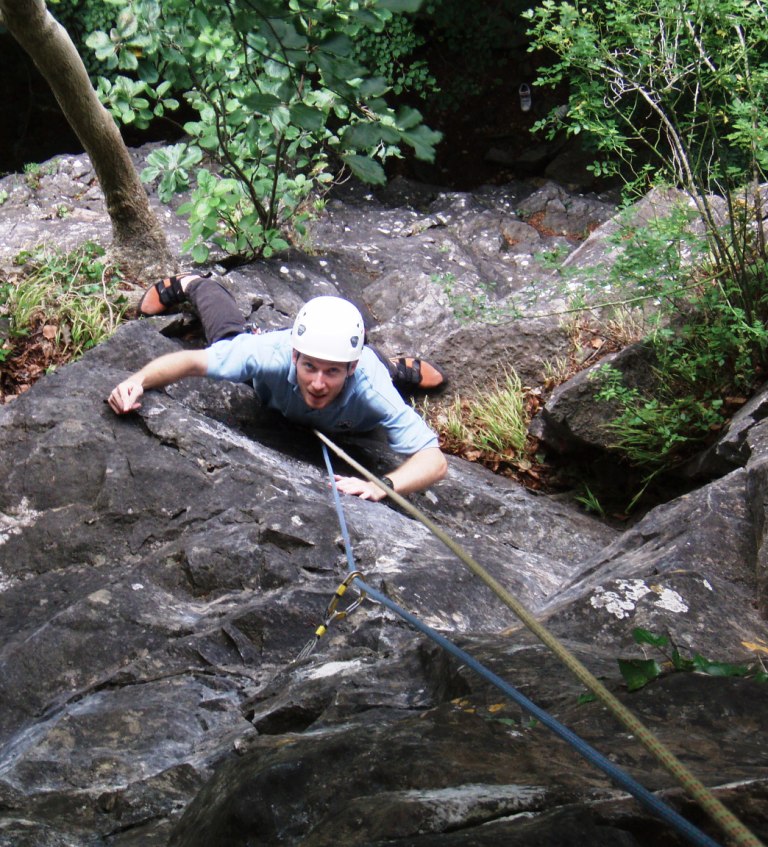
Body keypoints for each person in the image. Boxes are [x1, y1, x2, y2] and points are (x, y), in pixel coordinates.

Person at [108, 273, 448, 501]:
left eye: (331, 371)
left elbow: (434, 460)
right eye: (309, 366)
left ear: (351, 368)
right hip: (269, 377)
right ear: (294, 354)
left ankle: (398, 369)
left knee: (383, 374)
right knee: (229, 338)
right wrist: (135, 381)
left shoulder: (370, 387)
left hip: (368, 376)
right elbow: (190, 363)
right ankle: (193, 284)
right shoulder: (268, 355)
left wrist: (383, 486)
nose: (317, 383)